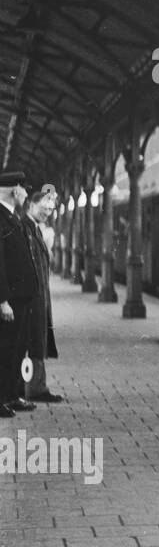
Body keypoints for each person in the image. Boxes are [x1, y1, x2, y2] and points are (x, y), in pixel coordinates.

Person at [0, 172, 39, 416]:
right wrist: (2, 300)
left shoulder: (10, 216)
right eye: (24, 189)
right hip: (10, 300)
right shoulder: (1, 217)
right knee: (5, 349)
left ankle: (12, 395)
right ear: (15, 191)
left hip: (21, 298)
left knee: (17, 347)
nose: (25, 194)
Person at [22, 184, 61, 403]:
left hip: (40, 296)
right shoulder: (25, 228)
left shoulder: (35, 228)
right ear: (32, 204)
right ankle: (32, 388)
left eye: (50, 210)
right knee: (32, 341)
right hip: (32, 296)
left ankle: (37, 386)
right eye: (43, 208)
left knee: (38, 340)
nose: (47, 212)